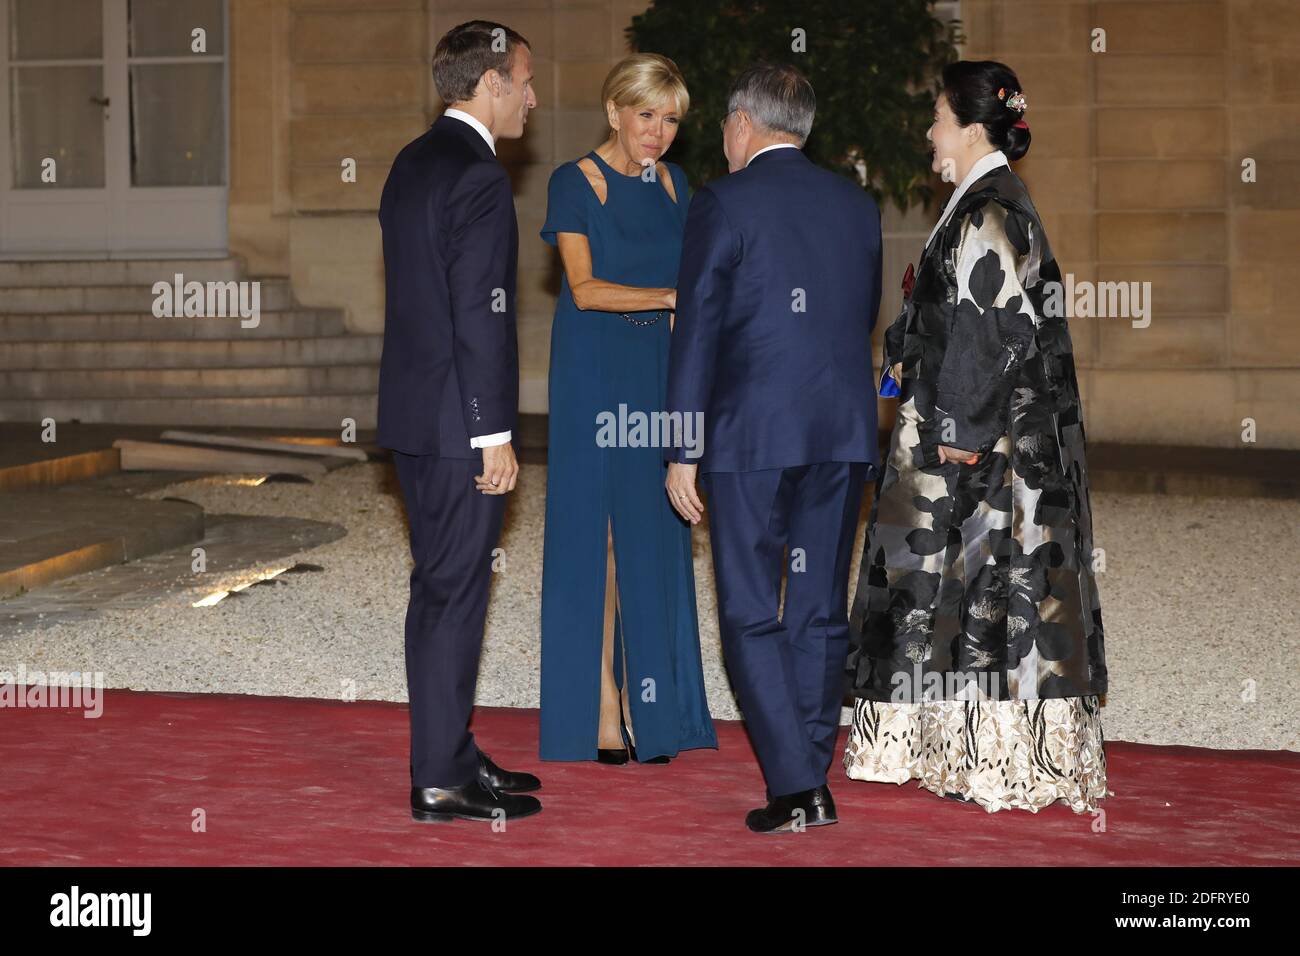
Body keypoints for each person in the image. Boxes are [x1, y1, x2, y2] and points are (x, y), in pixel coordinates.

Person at [843, 60, 1109, 813]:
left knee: (982, 588)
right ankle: (957, 748)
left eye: (935, 117)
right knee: (963, 591)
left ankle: (989, 758)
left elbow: (989, 321)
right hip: (979, 434)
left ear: (967, 126)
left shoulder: (989, 208)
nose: (929, 132)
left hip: (981, 447)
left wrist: (957, 429)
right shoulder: (982, 199)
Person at [665, 63, 883, 832]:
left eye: (723, 125)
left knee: (752, 612)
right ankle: (809, 769)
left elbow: (695, 333)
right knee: (820, 611)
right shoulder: (857, 205)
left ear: (743, 126)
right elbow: (859, 315)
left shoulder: (721, 201)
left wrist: (680, 445)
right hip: (841, 432)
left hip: (750, 435)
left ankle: (797, 787)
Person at [377, 20, 542, 824]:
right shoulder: (476, 175)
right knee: (455, 594)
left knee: (440, 588)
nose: (533, 97)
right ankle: (439, 777)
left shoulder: (413, 162)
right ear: (490, 83)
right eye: (525, 81)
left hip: (414, 418)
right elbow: (479, 312)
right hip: (455, 428)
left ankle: (448, 750)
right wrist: (492, 433)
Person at [539, 54, 717, 765]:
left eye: (671, 119)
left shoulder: (676, 184)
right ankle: (601, 708)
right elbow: (584, 288)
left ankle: (656, 709)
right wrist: (676, 301)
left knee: (654, 529)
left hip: (660, 372)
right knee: (601, 536)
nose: (659, 132)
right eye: (646, 114)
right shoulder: (573, 182)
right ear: (614, 111)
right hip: (595, 369)